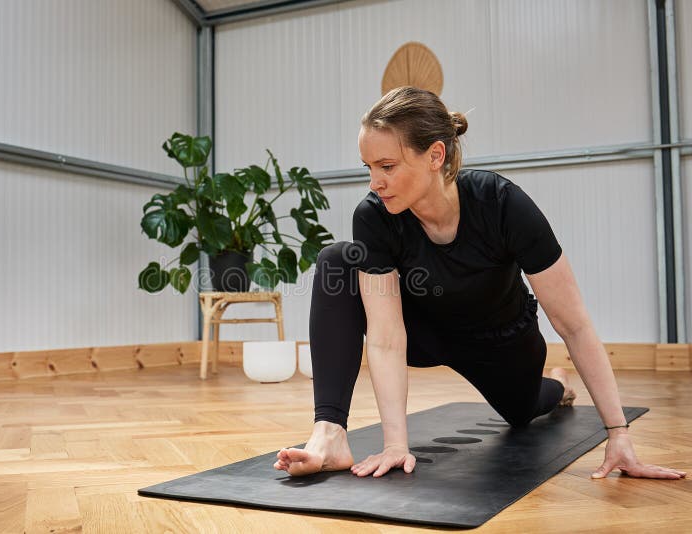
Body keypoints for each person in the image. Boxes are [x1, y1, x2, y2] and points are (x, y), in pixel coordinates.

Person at [274, 86, 686, 480]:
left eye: (387, 166)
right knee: (336, 261)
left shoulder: (502, 204)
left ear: (435, 155)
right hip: (424, 333)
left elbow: (573, 324)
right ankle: (329, 435)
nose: (374, 182)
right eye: (369, 167)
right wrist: (396, 444)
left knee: (524, 411)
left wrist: (618, 434)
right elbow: (385, 338)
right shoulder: (375, 216)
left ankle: (557, 385)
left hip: (500, 344)